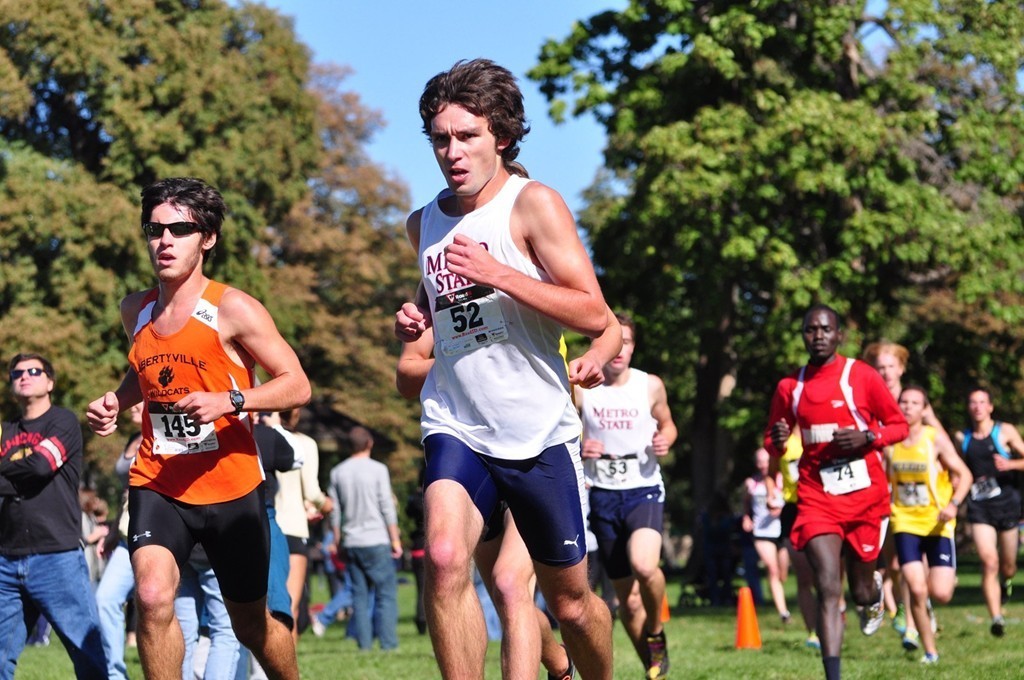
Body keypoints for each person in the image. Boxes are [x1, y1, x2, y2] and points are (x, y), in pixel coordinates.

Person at [394, 58, 618, 679]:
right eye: (440, 138)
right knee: (443, 557)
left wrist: (501, 274)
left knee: (571, 606)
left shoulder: (534, 205)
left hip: (538, 430)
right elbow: (438, 300)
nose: (451, 152)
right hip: (457, 420)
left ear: (502, 137)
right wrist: (415, 320)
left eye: (467, 136)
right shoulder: (424, 222)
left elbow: (593, 313)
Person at [86, 176, 310, 680]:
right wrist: (116, 402)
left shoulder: (233, 308)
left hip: (231, 488)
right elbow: (147, 372)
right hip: (158, 479)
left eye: (179, 230)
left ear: (206, 238)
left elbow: (297, 385)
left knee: (250, 625)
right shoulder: (136, 309)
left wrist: (231, 400)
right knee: (151, 596)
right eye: (155, 229)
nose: (164, 241)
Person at [764, 304, 908, 680]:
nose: (819, 336)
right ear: (803, 335)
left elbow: (898, 426)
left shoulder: (861, 376)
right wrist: (778, 440)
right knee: (828, 583)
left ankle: (871, 593)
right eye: (811, 330)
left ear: (839, 335)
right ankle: (833, 675)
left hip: (865, 497)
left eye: (826, 329)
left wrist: (868, 437)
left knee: (858, 592)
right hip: (816, 496)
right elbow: (773, 441)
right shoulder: (790, 387)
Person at [575, 312, 677, 678]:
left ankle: (655, 629)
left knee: (645, 566)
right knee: (625, 602)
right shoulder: (582, 387)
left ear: (633, 347)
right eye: (613, 342)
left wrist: (666, 438)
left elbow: (667, 423)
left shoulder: (649, 385)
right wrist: (581, 444)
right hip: (602, 493)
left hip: (643, 486)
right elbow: (561, 430)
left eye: (627, 342)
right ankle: (655, 667)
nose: (619, 350)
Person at [0, 352, 108, 678]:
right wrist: (22, 473)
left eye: (34, 370)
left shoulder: (63, 422)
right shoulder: (5, 430)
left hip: (56, 557)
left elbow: (41, 466)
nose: (24, 375)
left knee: (88, 657)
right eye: (16, 372)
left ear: (50, 382)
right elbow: (32, 470)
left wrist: (14, 474)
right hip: (6, 560)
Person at [889, 385, 972, 664]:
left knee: (941, 593)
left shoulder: (933, 439)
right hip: (904, 520)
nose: (908, 407)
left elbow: (965, 474)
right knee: (916, 587)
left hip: (937, 523)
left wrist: (953, 504)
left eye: (915, 403)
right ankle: (930, 650)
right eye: (904, 402)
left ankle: (946, 578)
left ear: (924, 410)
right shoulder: (890, 442)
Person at [953, 387, 1024, 637]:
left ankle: (1006, 583)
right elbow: (956, 467)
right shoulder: (963, 437)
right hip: (979, 506)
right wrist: (955, 480)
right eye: (973, 402)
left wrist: (1011, 463)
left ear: (990, 407)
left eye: (982, 402)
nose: (978, 407)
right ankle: (996, 617)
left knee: (1008, 566)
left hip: (1007, 505)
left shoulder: (1004, 431)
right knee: (988, 561)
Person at [324, 426, 401, 650]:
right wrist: (395, 539)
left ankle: (364, 645)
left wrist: (337, 541)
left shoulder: (338, 472)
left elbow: (335, 512)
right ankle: (388, 643)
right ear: (369, 443)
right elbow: (387, 506)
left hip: (352, 541)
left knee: (359, 596)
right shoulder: (378, 470)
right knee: (386, 594)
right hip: (376, 539)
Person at [275, 408, 333, 640]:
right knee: (289, 607)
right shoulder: (304, 443)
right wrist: (327, 505)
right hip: (293, 527)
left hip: (264, 526)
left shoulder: (258, 436)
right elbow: (312, 492)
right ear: (295, 412)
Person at [775, 432, 821, 649]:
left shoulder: (819, 432)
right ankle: (813, 632)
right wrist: (769, 491)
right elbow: (771, 471)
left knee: (826, 574)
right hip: (793, 510)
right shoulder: (781, 438)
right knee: (804, 577)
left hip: (820, 506)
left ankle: (834, 617)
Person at [742, 447, 790, 624]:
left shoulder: (782, 480)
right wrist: (747, 517)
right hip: (762, 532)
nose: (763, 465)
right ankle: (784, 613)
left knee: (783, 574)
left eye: (766, 461)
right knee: (773, 569)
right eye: (760, 461)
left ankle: (776, 587)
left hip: (781, 531)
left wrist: (780, 510)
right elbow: (745, 502)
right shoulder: (751, 484)